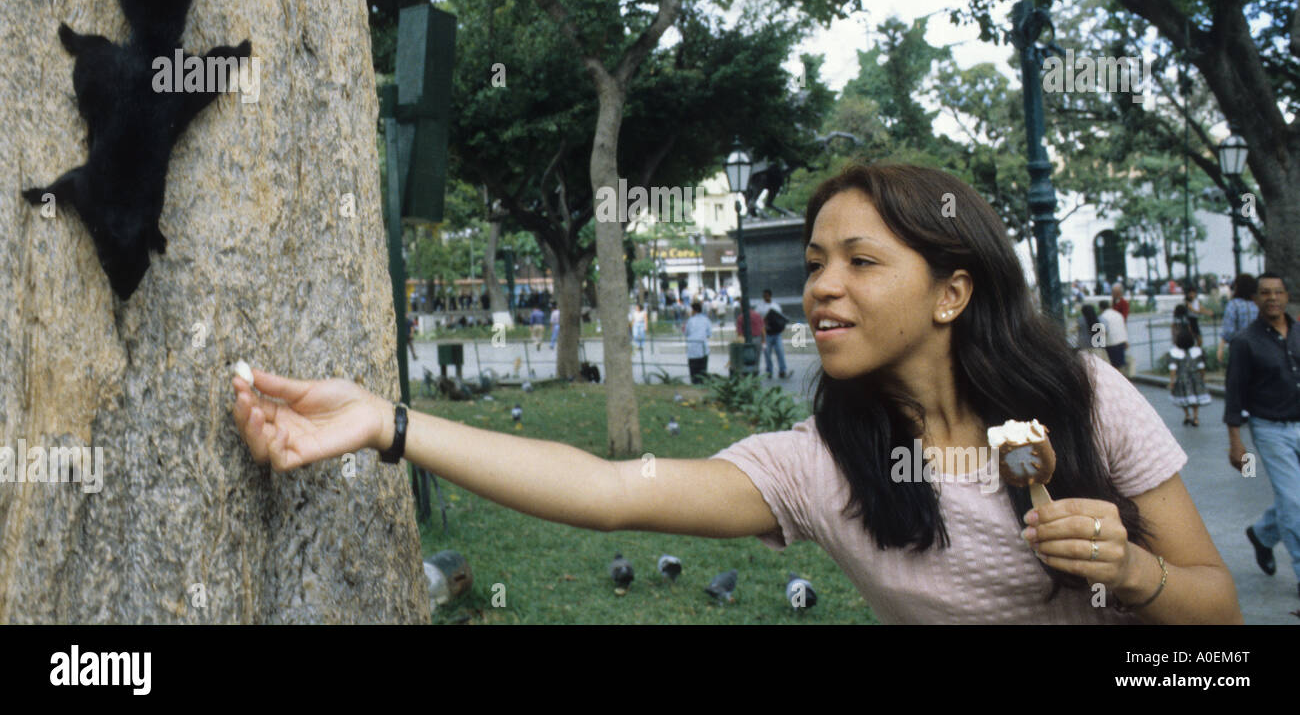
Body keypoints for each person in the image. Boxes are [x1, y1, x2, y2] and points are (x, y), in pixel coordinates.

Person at [229, 161, 1239, 623]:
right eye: (811, 263)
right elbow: (611, 490)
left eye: (857, 261)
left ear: (952, 291)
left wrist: (1132, 578)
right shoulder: (818, 467)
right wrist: (388, 424)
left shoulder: (1088, 396)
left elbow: (1217, 615)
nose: (819, 288)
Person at [1225, 272, 1300, 596]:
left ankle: (1263, 533)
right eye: (1265, 293)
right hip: (1270, 428)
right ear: (1255, 299)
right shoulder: (1245, 341)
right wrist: (1236, 442)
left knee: (1293, 500)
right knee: (1294, 501)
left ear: (1286, 296)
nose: (1272, 298)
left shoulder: (1298, 331)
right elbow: (1234, 393)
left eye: (1278, 292)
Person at [1168, 323, 1210, 427]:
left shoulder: (1174, 352)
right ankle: (1195, 417)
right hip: (1195, 377)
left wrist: (1172, 381)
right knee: (1195, 398)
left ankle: (1187, 415)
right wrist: (1203, 377)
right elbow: (1201, 366)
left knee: (1183, 397)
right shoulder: (1196, 351)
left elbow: (1173, 369)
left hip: (1182, 379)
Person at [1218, 274, 1259, 364]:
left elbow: (1228, 331)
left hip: (1239, 350)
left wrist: (1220, 349)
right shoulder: (1258, 304)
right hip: (1259, 348)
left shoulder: (1233, 305)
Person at [757, 289, 790, 380]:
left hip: (776, 333)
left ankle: (782, 371)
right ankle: (769, 371)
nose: (766, 297)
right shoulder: (759, 307)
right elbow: (759, 320)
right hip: (766, 334)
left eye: (767, 295)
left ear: (770, 296)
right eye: (764, 295)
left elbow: (780, 318)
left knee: (780, 352)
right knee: (767, 354)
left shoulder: (776, 306)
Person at [683, 300, 713, 384]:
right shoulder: (706, 320)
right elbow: (709, 334)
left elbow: (686, 333)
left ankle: (695, 384)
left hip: (692, 350)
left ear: (694, 310)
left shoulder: (690, 321)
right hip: (703, 349)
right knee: (702, 372)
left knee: (694, 373)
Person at [1097, 300, 1128, 372]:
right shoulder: (1118, 314)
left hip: (1110, 343)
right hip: (1121, 341)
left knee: (1113, 366)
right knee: (1120, 364)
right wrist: (1126, 340)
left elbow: (1103, 332)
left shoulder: (1102, 317)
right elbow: (1123, 327)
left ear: (1100, 308)